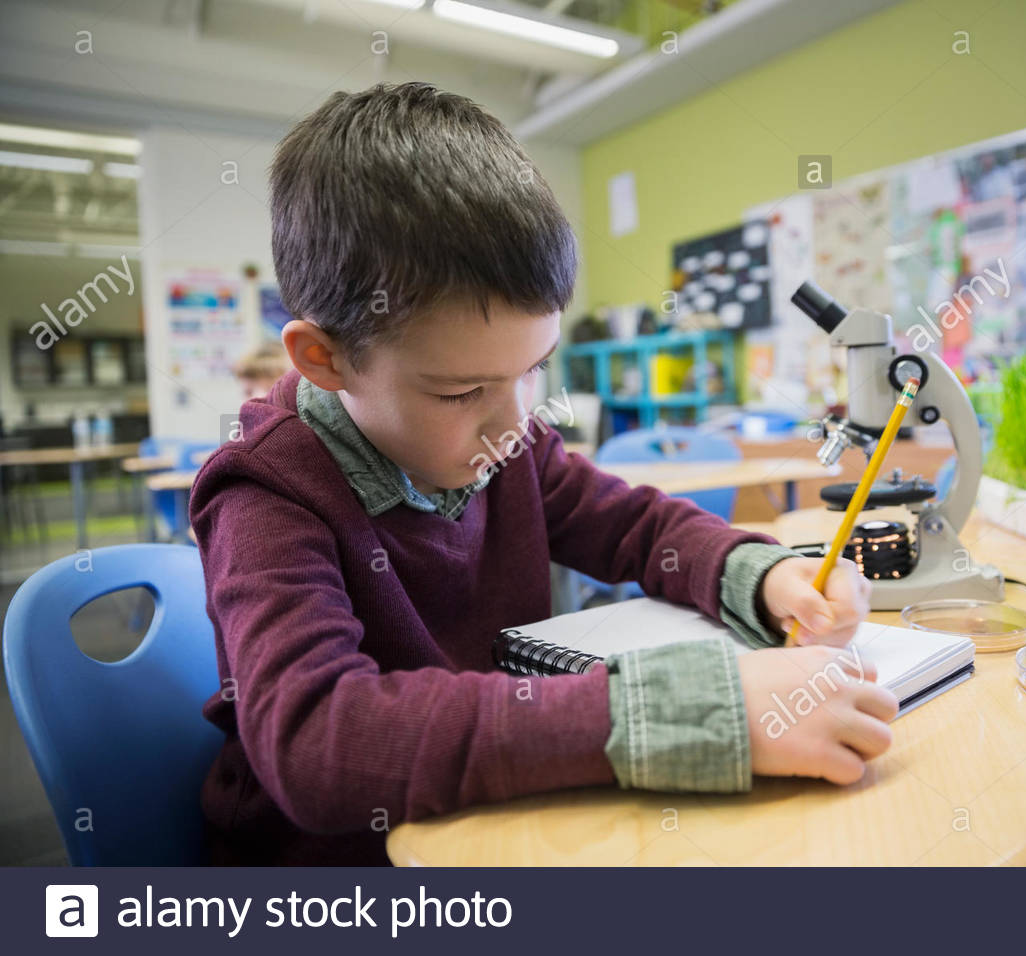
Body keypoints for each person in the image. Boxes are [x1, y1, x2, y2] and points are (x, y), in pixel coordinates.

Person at [190, 82, 897, 865]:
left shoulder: (506, 443)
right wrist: (695, 710)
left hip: (507, 814)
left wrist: (757, 573)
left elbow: (635, 528)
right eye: (461, 391)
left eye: (534, 369)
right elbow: (320, 739)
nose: (515, 418)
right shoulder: (265, 494)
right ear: (324, 360)